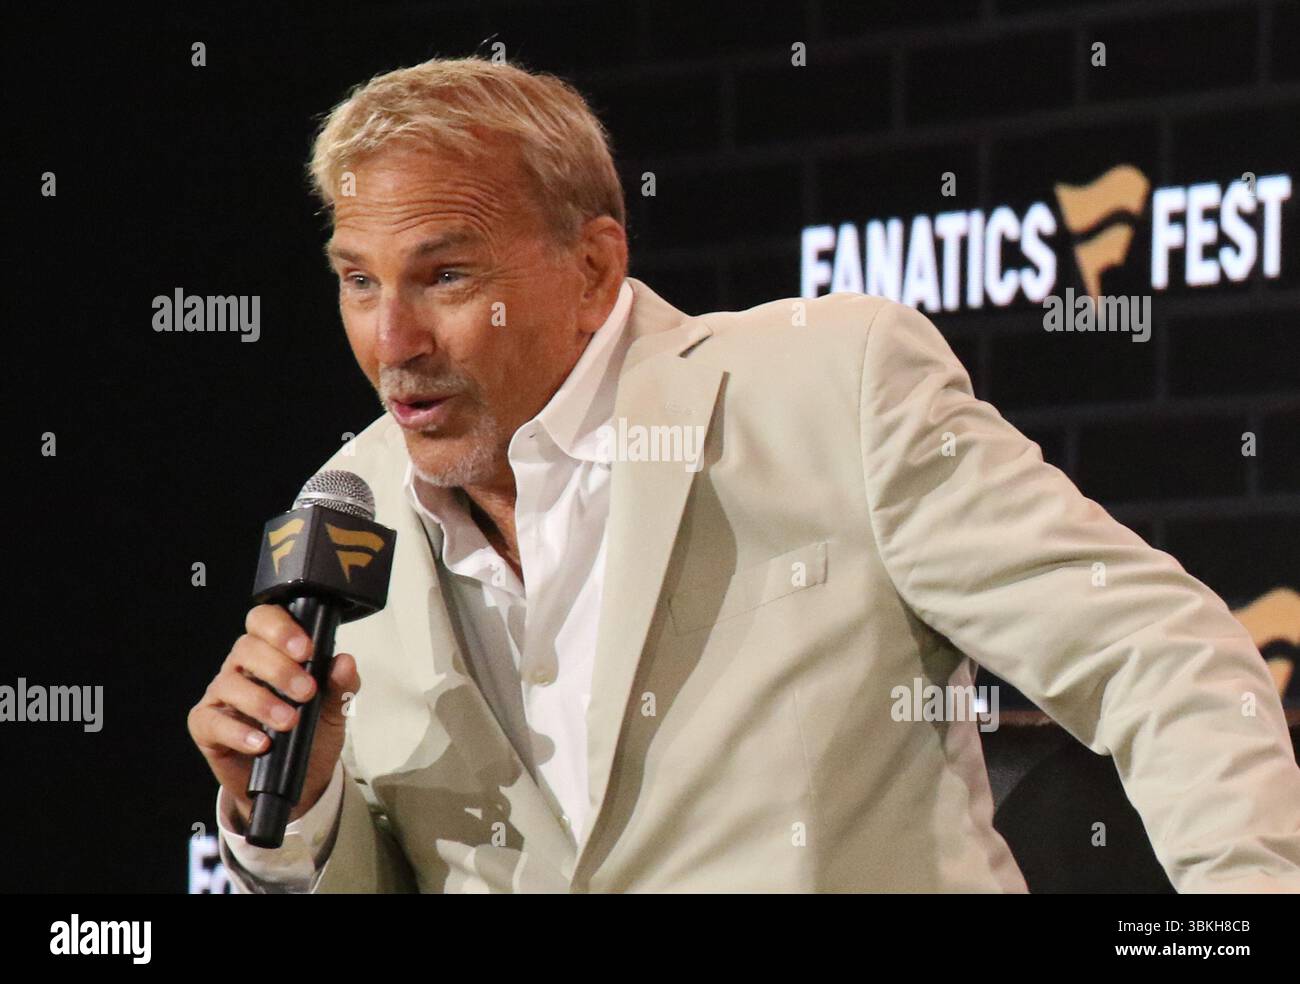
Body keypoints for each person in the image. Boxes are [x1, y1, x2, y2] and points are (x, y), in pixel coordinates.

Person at [187, 56, 1300, 893]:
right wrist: (290, 815)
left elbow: (1157, 653)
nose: (393, 341)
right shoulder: (349, 509)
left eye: (445, 274)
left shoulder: (829, 388)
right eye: (357, 282)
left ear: (592, 265)